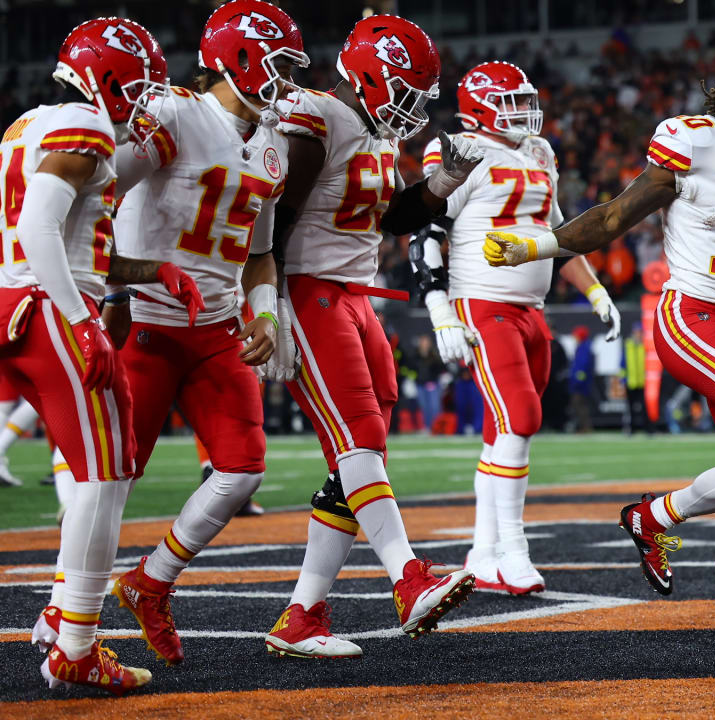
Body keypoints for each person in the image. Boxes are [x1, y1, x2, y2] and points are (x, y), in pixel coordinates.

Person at [487, 35, 715, 603]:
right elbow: (613, 217)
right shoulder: (697, 143)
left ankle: (652, 519)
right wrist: (534, 248)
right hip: (693, 317)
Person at [262, 14, 481, 659]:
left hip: (354, 296)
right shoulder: (318, 117)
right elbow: (276, 212)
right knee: (358, 441)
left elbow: (387, 218)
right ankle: (409, 578)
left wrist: (443, 184)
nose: (413, 107)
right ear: (368, 76)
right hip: (308, 291)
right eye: (406, 89)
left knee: (364, 452)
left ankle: (302, 614)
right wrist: (267, 301)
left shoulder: (372, 134)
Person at [100, 0, 308, 666]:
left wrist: (268, 315)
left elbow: (259, 254)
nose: (285, 81)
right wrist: (112, 283)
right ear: (239, 59)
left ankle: (150, 581)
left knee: (242, 472)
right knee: (112, 480)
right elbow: (98, 196)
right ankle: (72, 618)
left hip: (219, 327)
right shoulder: (173, 116)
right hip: (147, 323)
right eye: (276, 64)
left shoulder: (273, 143)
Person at [2, 17, 200, 695]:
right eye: (139, 86)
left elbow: (72, 239)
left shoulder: (28, 125)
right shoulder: (86, 123)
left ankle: (65, 617)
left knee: (99, 472)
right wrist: (83, 319)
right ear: (107, 77)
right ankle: (76, 641)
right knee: (107, 472)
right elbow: (37, 229)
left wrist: (152, 272)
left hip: (14, 301)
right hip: (45, 309)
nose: (144, 102)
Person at [412, 60, 621, 595]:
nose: (524, 112)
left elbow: (558, 235)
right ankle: (513, 550)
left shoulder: (539, 153)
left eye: (527, 100)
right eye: (512, 101)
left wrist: (595, 291)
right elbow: (424, 234)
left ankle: (482, 553)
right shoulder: (458, 150)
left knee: (503, 431)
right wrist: (440, 310)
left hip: (531, 309)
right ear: (479, 106)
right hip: (483, 303)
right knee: (521, 418)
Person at [622, 322, 650, 435]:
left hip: (643, 381)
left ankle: (648, 429)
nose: (638, 334)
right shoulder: (628, 345)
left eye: (640, 332)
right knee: (630, 408)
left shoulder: (646, 345)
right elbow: (623, 363)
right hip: (631, 381)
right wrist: (623, 379)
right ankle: (631, 430)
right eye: (636, 332)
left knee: (645, 407)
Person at [569, 325, 596, 433]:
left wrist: (578, 380)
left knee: (580, 405)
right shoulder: (583, 347)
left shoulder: (584, 348)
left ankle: (585, 427)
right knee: (580, 405)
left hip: (581, 384)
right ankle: (585, 426)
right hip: (581, 383)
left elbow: (582, 366)